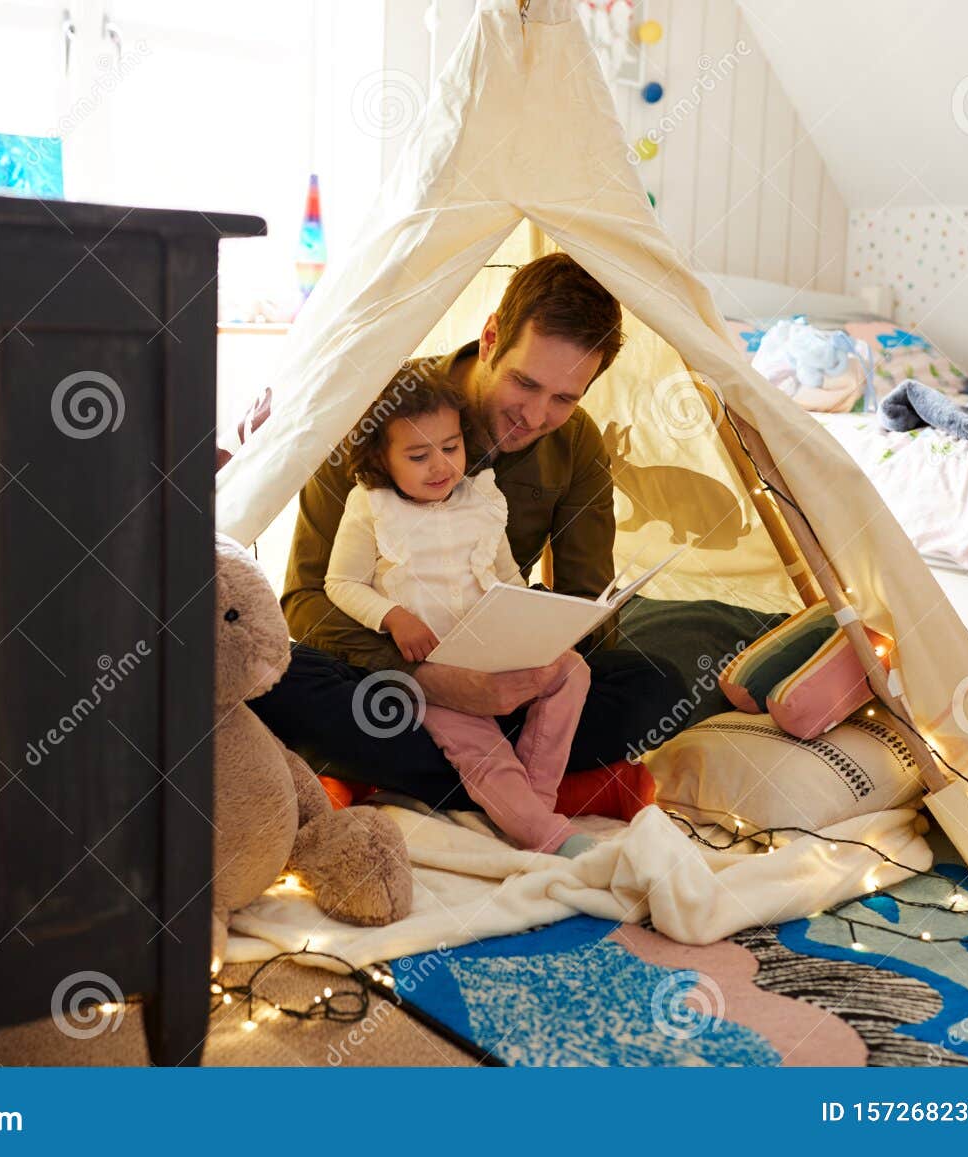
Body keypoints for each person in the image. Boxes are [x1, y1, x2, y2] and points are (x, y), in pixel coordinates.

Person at [245, 252, 682, 813]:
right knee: (275, 680)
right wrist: (427, 677)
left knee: (655, 682)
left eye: (564, 398)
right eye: (525, 383)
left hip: (504, 681)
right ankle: (527, 784)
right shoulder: (380, 409)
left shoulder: (575, 443)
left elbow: (586, 604)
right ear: (492, 337)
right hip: (391, 678)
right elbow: (304, 602)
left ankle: (429, 777)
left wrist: (529, 669)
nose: (535, 415)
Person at [324, 369, 598, 855]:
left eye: (451, 448)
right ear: (382, 458)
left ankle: (534, 803)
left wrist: (537, 626)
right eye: (418, 456)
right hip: (439, 669)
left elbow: (508, 577)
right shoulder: (371, 506)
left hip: (496, 650)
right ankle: (546, 833)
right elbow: (340, 583)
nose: (440, 466)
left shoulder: (482, 498)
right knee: (479, 751)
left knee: (574, 671)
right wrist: (393, 617)